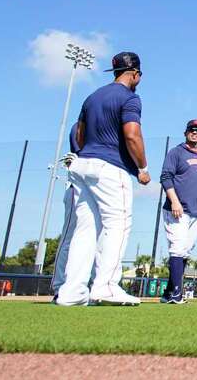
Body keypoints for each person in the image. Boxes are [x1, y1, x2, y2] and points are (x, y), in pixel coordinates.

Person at [56, 51, 149, 306]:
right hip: (110, 169)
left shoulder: (92, 96)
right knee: (117, 225)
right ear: (136, 74)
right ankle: (105, 287)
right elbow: (132, 135)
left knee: (85, 231)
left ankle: (71, 292)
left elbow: (80, 133)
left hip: (83, 163)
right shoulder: (130, 98)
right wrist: (142, 167)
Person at [159, 119, 197, 305]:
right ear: (186, 133)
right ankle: (176, 292)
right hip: (178, 210)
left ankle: (167, 293)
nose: (195, 133)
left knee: (185, 251)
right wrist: (174, 201)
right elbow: (165, 177)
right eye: (192, 130)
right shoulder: (176, 153)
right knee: (177, 248)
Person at [50, 122, 82, 302]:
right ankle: (60, 286)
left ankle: (88, 286)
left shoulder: (113, 129)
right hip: (77, 189)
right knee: (70, 238)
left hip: (100, 193)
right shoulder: (80, 126)